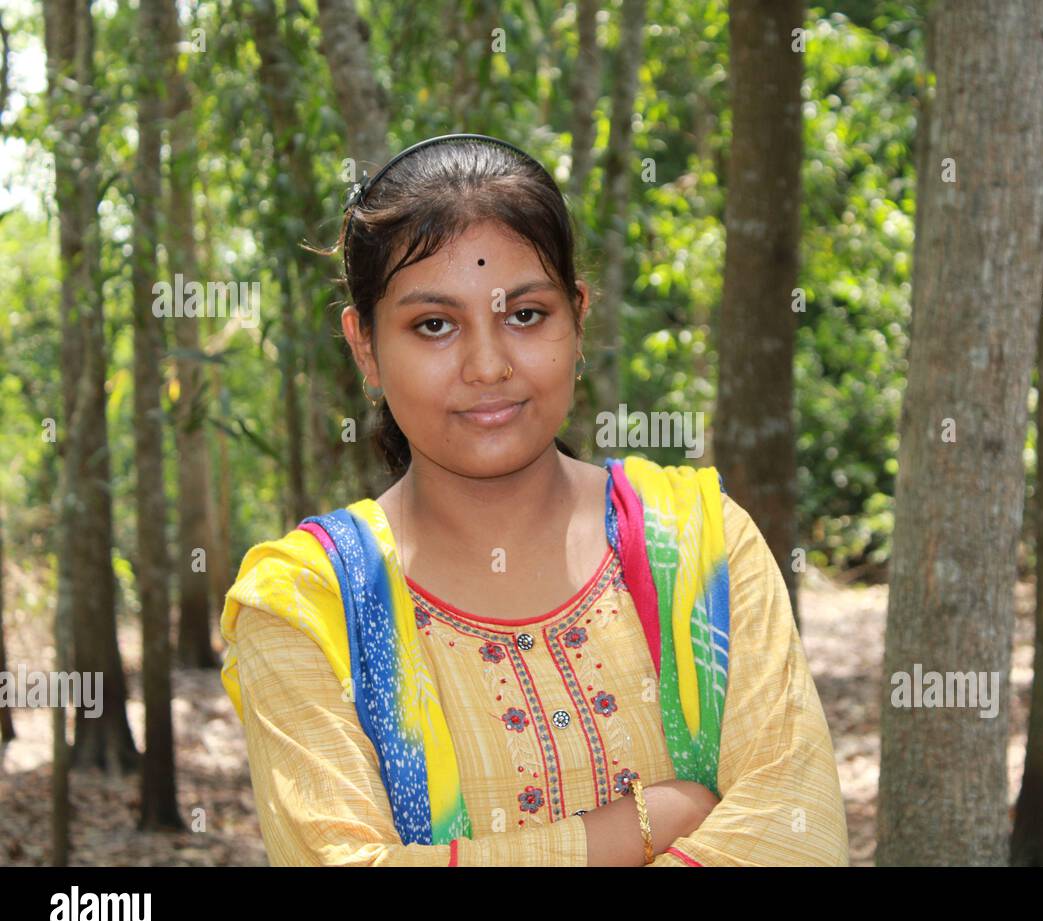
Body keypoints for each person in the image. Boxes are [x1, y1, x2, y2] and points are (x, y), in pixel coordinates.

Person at [219, 133, 849, 866]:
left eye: (525, 315)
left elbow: (796, 836)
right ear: (365, 348)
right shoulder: (304, 606)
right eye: (434, 325)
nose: (488, 366)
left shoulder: (702, 544)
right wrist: (637, 826)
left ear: (577, 317)